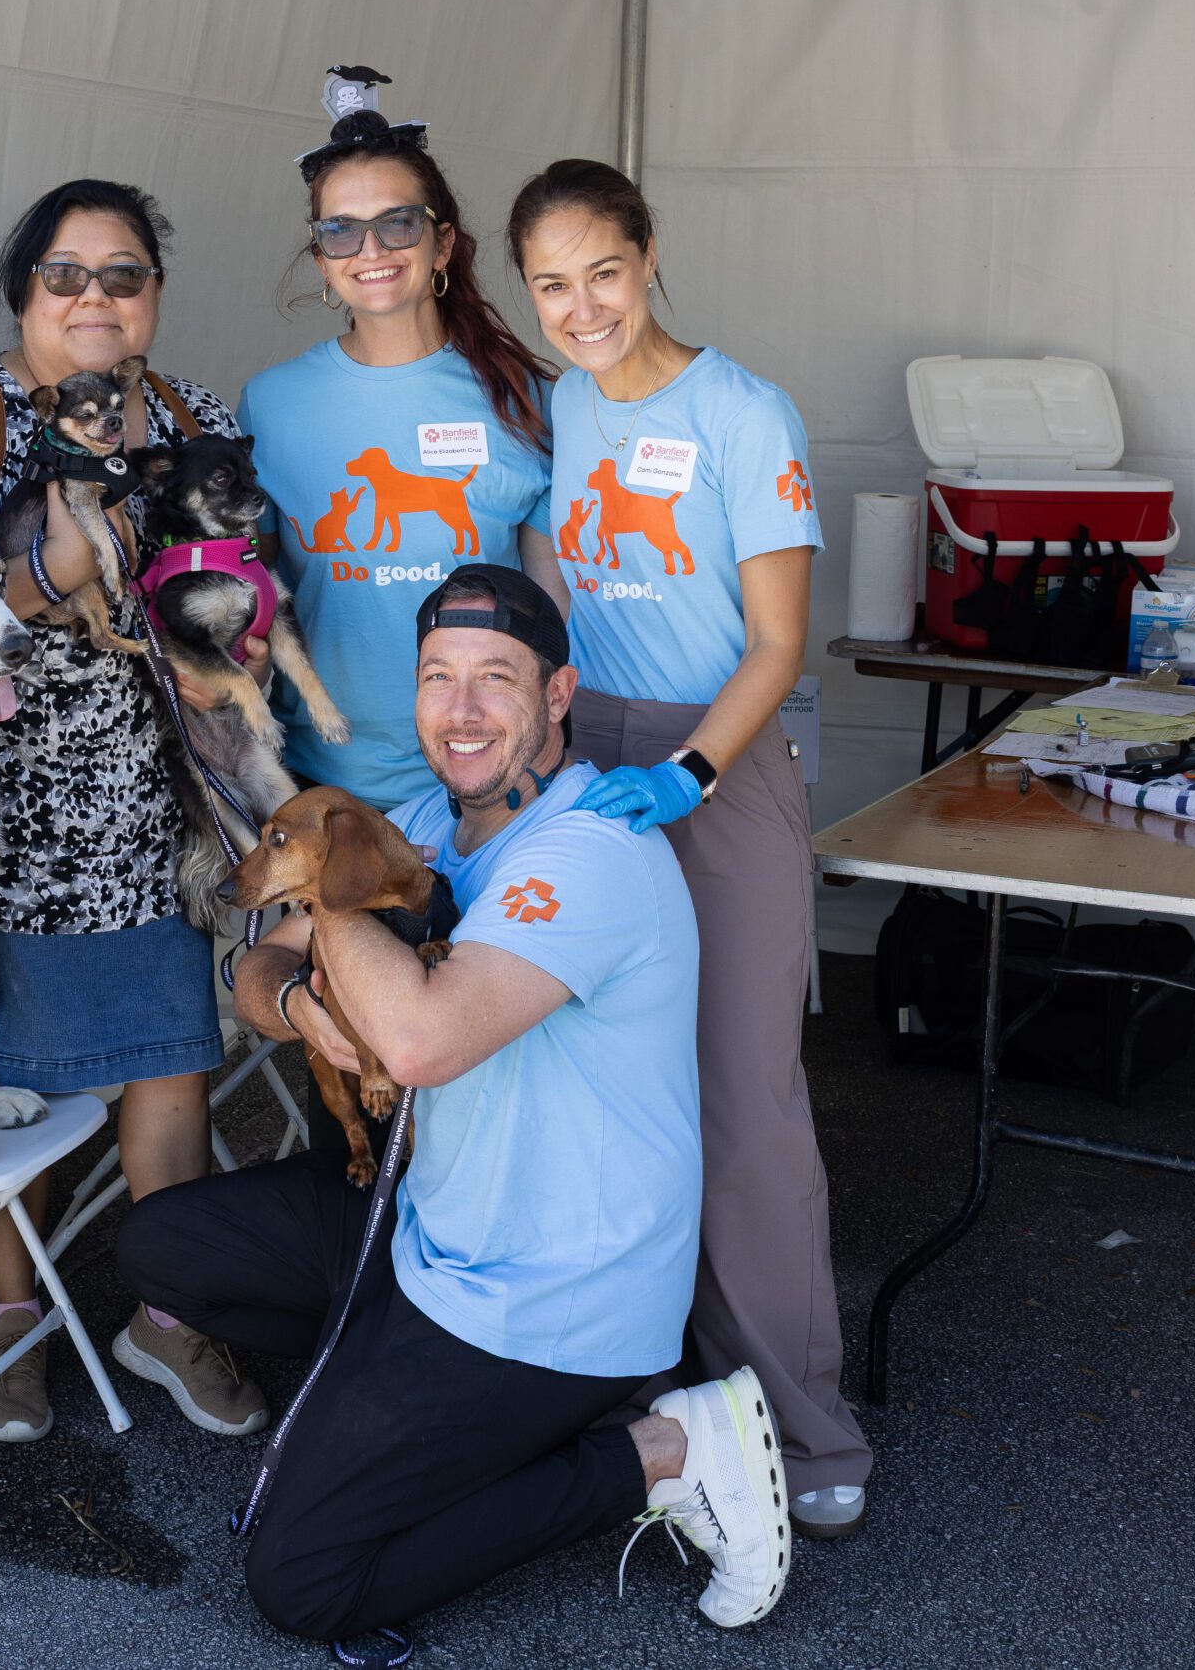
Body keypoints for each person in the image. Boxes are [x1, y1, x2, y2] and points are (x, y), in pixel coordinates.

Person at [119, 566, 791, 1643]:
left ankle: (660, 1452)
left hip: (553, 1295)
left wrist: (332, 886)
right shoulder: (421, 818)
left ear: (558, 695)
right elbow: (258, 964)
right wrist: (301, 999)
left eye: (495, 679)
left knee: (303, 1583)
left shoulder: (590, 850)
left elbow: (420, 1038)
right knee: (162, 1245)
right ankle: (410, 1411)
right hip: (431, 1233)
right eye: (438, 677)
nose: (462, 709)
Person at [507, 157, 869, 1538]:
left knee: (742, 1098)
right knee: (602, 1086)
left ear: (649, 256)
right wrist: (547, 749)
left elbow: (780, 642)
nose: (582, 306)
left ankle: (802, 1418)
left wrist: (688, 773)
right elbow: (553, 580)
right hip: (583, 753)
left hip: (712, 762)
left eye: (603, 270)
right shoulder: (559, 402)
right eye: (551, 283)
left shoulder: (741, 410)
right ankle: (642, 1385)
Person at [0, 179, 267, 1447]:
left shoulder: (193, 416)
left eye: (124, 274)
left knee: (171, 1060)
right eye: (65, 274)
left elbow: (238, 572)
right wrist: (43, 576)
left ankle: (167, 1318)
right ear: (21, 291)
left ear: (154, 292)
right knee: (12, 1078)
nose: (95, 298)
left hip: (158, 792)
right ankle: (12, 1317)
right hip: (0, 800)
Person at [239, 83, 556, 809]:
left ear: (442, 240)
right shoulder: (271, 402)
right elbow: (256, 594)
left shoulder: (525, 397)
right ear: (321, 260)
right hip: (326, 782)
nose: (371, 250)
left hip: (494, 781)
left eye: (398, 223)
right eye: (341, 231)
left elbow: (559, 607)